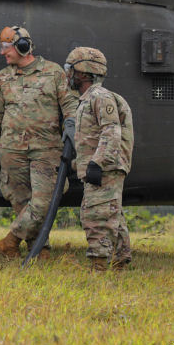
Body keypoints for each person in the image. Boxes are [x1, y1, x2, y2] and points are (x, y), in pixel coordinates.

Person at [0, 25, 78, 259]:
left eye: (6, 48)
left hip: (46, 149)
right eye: (1, 48)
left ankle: (10, 240)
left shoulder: (53, 73)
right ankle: (39, 250)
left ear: (22, 47)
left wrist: (72, 125)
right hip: (11, 150)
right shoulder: (2, 78)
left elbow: (70, 106)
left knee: (44, 200)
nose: (3, 53)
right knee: (21, 201)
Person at [64, 47, 134, 271]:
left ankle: (99, 267)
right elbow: (91, 139)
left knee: (96, 215)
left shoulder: (100, 97)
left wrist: (97, 163)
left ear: (83, 73)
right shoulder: (86, 100)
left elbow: (111, 131)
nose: (68, 74)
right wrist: (78, 164)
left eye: (70, 69)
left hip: (105, 168)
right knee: (113, 214)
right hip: (99, 166)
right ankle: (119, 262)